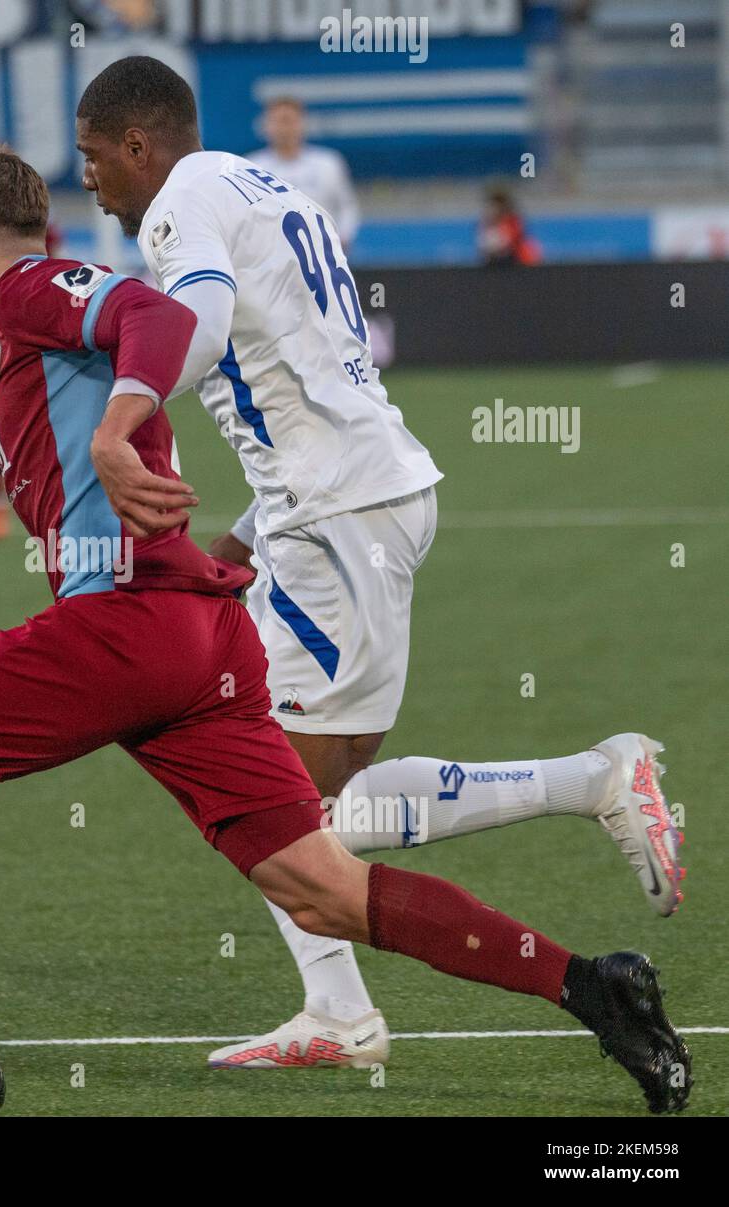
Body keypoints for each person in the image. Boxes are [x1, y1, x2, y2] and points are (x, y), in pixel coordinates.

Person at [0, 148, 688, 1118]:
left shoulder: (37, 289)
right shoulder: (9, 338)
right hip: (193, 642)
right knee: (320, 886)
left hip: (122, 620)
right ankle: (595, 986)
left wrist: (117, 430)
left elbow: (156, 315)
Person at [74, 55, 684, 1069]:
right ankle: (336, 1010)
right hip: (328, 503)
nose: (87, 177)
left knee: (282, 813)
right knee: (263, 786)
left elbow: (205, 321)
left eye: (95, 157)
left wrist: (122, 420)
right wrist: (243, 539)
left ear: (138, 145)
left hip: (340, 516)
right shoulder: (260, 182)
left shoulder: (177, 205)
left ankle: (593, 780)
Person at [247, 97, 359, 251]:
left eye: (289, 121)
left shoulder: (328, 163)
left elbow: (347, 206)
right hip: (271, 254)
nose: (284, 128)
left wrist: (342, 239)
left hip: (323, 251)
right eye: (278, 121)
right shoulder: (251, 167)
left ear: (302, 123)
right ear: (266, 126)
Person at [479, 184, 542, 267]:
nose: (492, 209)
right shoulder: (486, 224)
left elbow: (512, 243)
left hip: (517, 262)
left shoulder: (512, 222)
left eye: (495, 206)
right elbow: (485, 247)